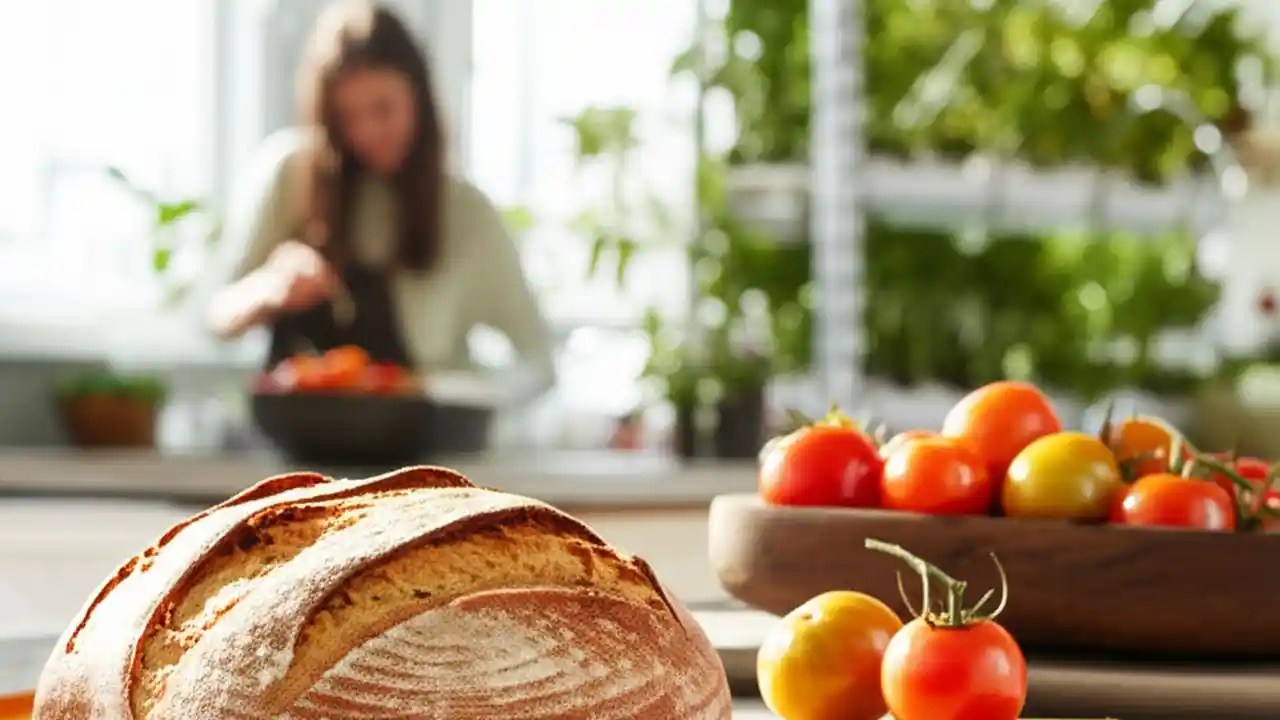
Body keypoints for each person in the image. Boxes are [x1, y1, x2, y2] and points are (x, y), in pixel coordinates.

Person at [208, 0, 554, 401]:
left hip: (422, 454)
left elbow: (538, 362)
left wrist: (454, 394)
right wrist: (270, 286)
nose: (365, 133)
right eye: (346, 117)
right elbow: (213, 318)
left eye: (383, 110)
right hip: (299, 451)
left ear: (419, 98)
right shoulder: (291, 176)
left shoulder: (466, 212)